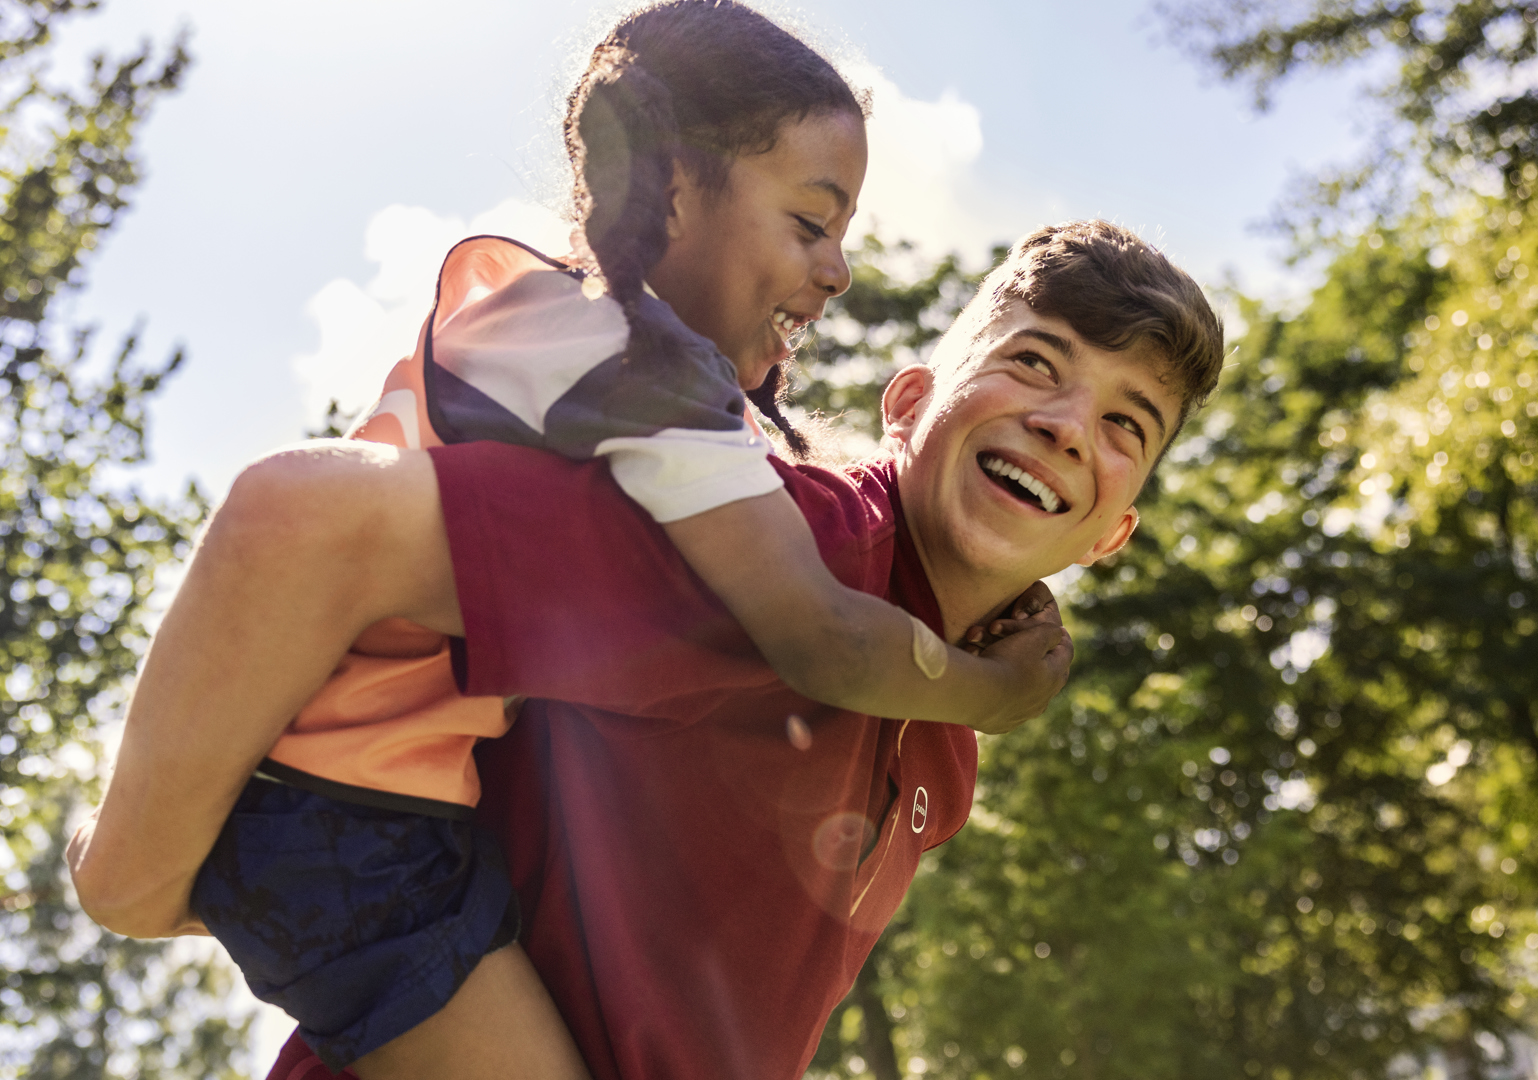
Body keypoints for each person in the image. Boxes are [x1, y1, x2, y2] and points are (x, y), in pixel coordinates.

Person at [69, 4, 1070, 1077]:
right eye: (810, 223)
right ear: (673, 184)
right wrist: (995, 691)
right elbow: (815, 631)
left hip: (343, 810)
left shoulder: (563, 328)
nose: (838, 271)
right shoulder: (631, 365)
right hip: (366, 833)